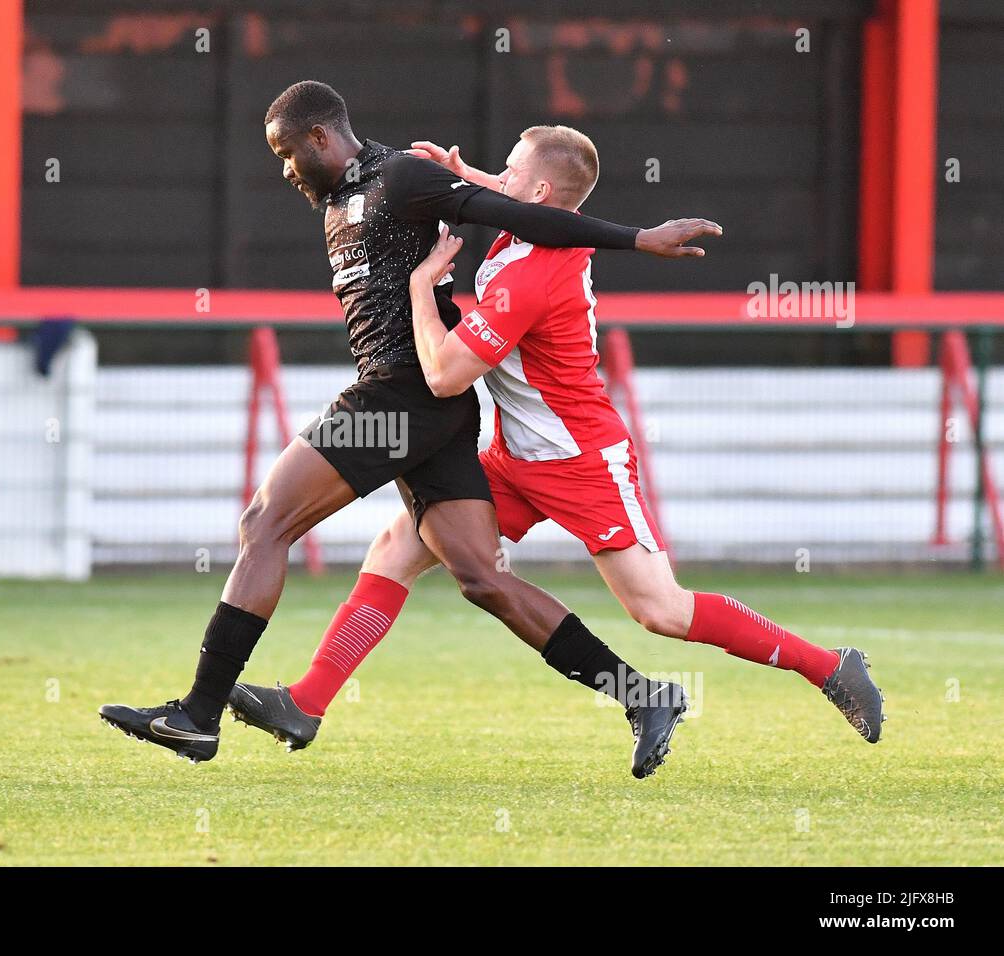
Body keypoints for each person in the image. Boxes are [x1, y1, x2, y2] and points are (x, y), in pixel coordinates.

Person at [100, 82, 720, 774]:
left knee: (264, 522)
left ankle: (198, 715)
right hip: (427, 408)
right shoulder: (337, 200)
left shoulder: (400, 177)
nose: (284, 171)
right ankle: (644, 697)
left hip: (398, 401)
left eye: (286, 155)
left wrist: (638, 239)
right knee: (482, 578)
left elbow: (528, 216)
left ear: (320, 139)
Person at [228, 126, 885, 768]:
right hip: (518, 459)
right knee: (397, 549)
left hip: (581, 460)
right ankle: (307, 703)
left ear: (539, 190)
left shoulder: (530, 273)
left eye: (510, 167)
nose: (498, 173)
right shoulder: (530, 224)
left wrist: (419, 292)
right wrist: (469, 175)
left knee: (659, 610)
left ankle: (829, 667)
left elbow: (444, 374)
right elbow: (515, 199)